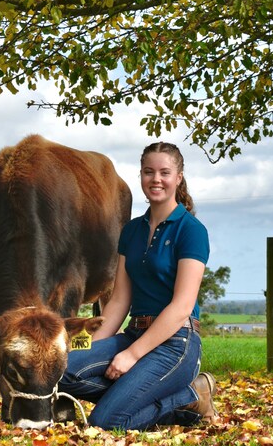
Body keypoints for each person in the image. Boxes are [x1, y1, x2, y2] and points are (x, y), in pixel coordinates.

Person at [58, 141, 217, 430]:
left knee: (105, 421)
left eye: (164, 173)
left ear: (178, 178)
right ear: (141, 175)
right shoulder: (131, 231)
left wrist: (131, 355)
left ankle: (190, 396)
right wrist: (84, 344)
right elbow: (119, 301)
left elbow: (182, 308)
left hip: (176, 344)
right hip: (133, 333)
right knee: (59, 369)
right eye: (148, 172)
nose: (156, 179)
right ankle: (134, 398)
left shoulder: (192, 231)